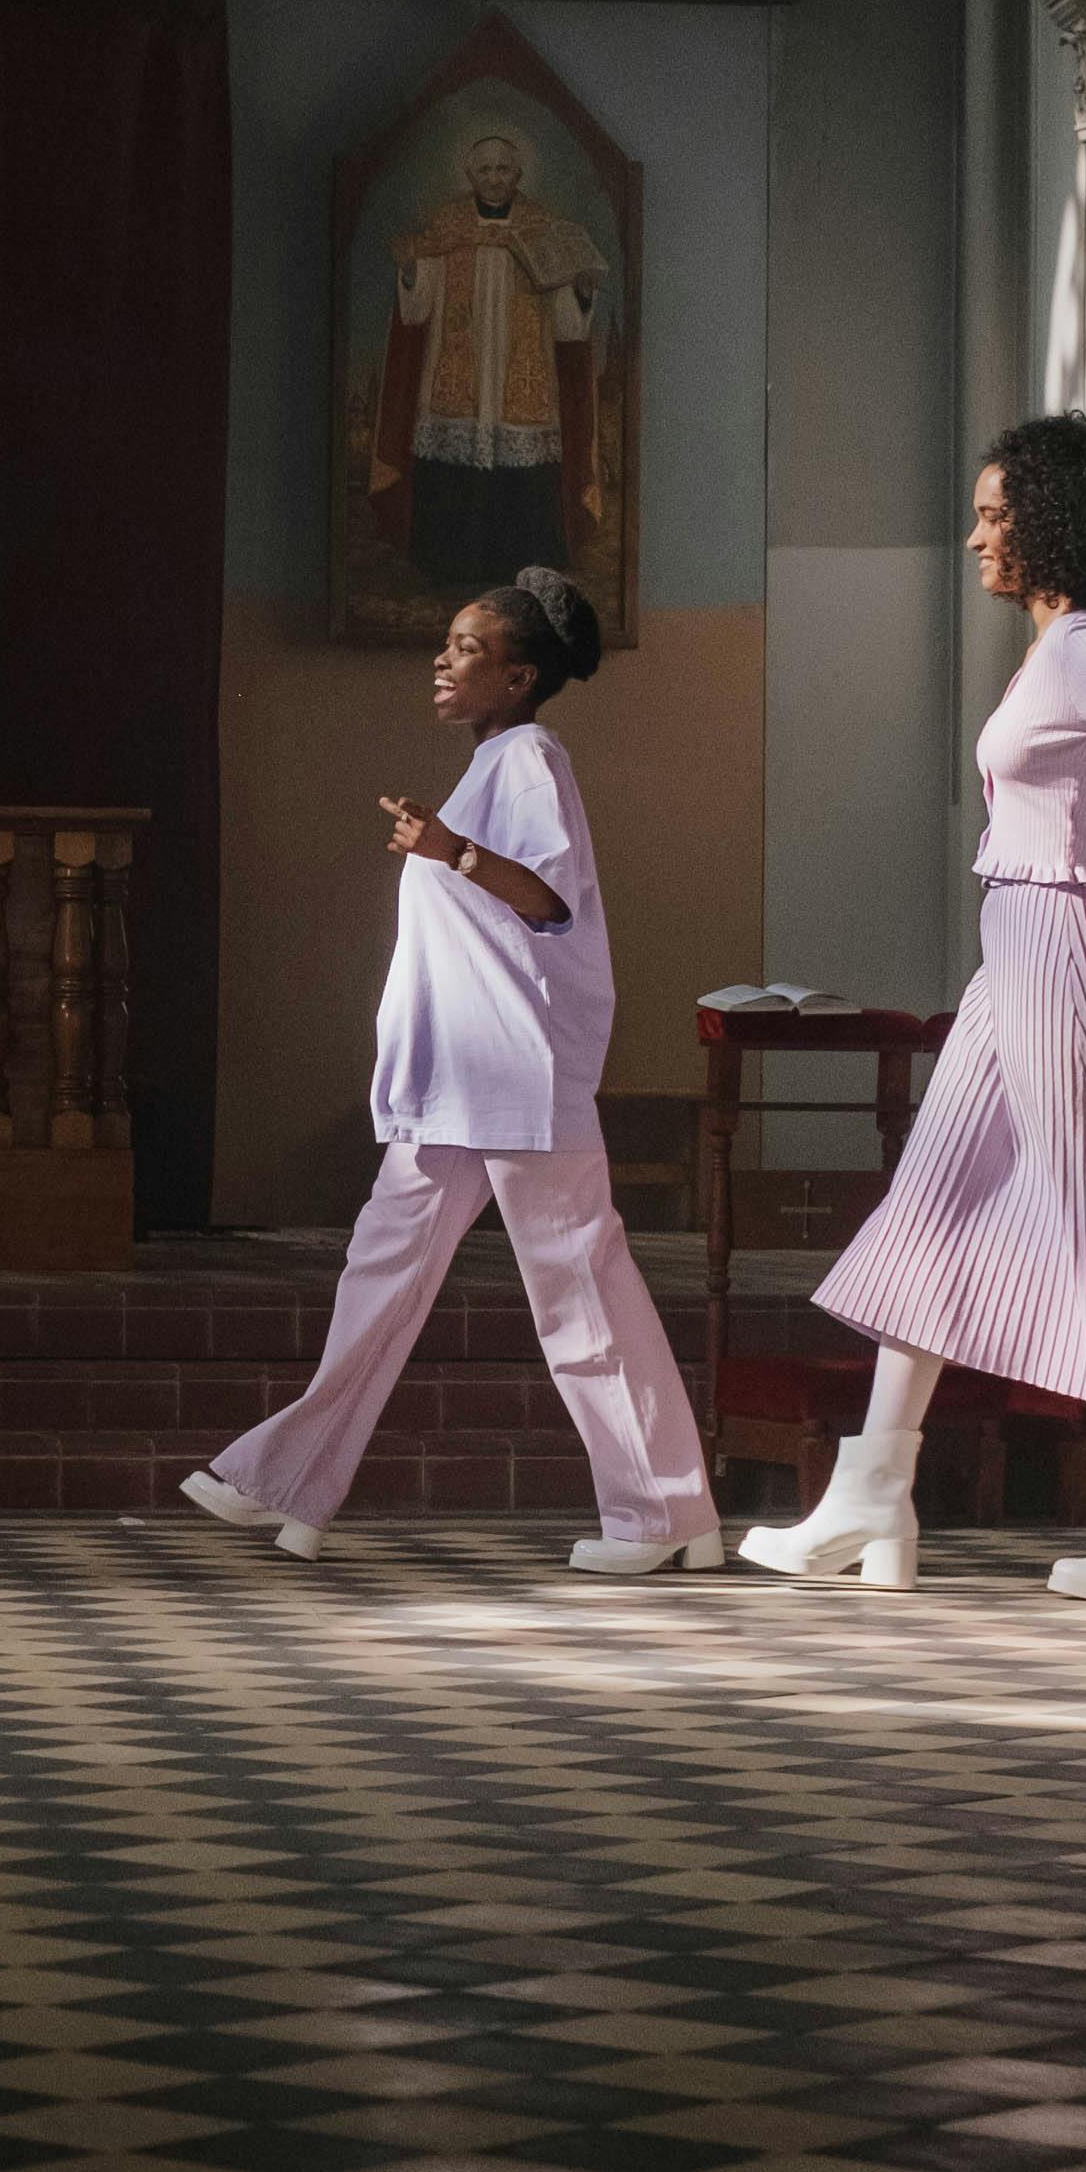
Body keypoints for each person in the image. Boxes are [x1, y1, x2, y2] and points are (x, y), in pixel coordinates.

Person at [742, 410, 1086, 1613]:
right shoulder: (1050, 651)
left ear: (1050, 526)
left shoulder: (1080, 650)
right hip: (1013, 953)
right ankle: (872, 1488)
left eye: (992, 515)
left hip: (1070, 953)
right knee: (932, 1197)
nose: (972, 537)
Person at [178, 565, 718, 1582]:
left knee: (577, 1291)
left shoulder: (527, 757)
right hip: (454, 1084)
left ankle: (662, 1510)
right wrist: (447, 845)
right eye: (446, 641)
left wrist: (451, 851)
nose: (442, 657)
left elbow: (544, 898)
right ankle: (287, 1480)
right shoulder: (490, 766)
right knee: (375, 1281)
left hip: (514, 1081)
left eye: (467, 647)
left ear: (516, 678)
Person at [368, 119, 612, 599]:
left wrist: (581, 292)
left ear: (518, 175)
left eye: (504, 169)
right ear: (470, 175)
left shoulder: (543, 230)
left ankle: (521, 571)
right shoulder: (447, 226)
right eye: (486, 169)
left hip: (524, 382)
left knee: (521, 476)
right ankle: (448, 567)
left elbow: (566, 326)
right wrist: (413, 270)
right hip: (454, 375)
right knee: (454, 475)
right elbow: (416, 311)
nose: (495, 178)